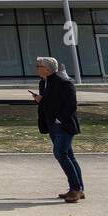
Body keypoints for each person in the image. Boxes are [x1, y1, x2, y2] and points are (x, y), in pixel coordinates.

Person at [33, 56, 84, 202]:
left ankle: (75, 189)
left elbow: (71, 105)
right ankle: (78, 188)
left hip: (64, 125)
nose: (37, 68)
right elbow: (49, 102)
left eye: (39, 66)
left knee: (60, 154)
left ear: (47, 69)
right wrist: (40, 101)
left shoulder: (64, 83)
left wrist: (59, 120)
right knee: (68, 155)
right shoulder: (43, 83)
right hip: (51, 125)